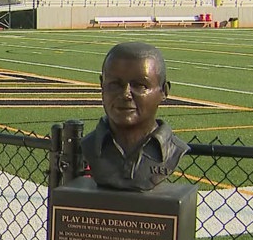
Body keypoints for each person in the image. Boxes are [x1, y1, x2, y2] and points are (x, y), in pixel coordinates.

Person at [79, 42, 188, 191]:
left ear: (164, 91)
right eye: (115, 84)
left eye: (140, 85)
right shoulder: (88, 145)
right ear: (102, 86)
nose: (125, 94)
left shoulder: (174, 150)